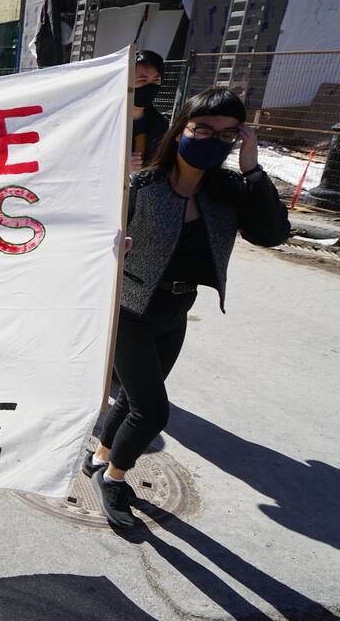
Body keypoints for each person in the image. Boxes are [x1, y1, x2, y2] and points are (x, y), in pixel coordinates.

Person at [86, 88, 290, 529]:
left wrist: (253, 169)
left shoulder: (229, 192)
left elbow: (272, 234)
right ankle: (115, 477)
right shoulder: (142, 186)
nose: (213, 141)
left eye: (227, 135)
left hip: (176, 309)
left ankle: (101, 455)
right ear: (181, 130)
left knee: (140, 395)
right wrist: (110, 247)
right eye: (203, 129)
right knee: (152, 410)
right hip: (129, 307)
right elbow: (93, 235)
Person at [131, 50, 169, 171]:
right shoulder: (107, 119)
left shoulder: (160, 124)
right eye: (142, 80)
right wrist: (118, 166)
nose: (150, 86)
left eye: (156, 80)